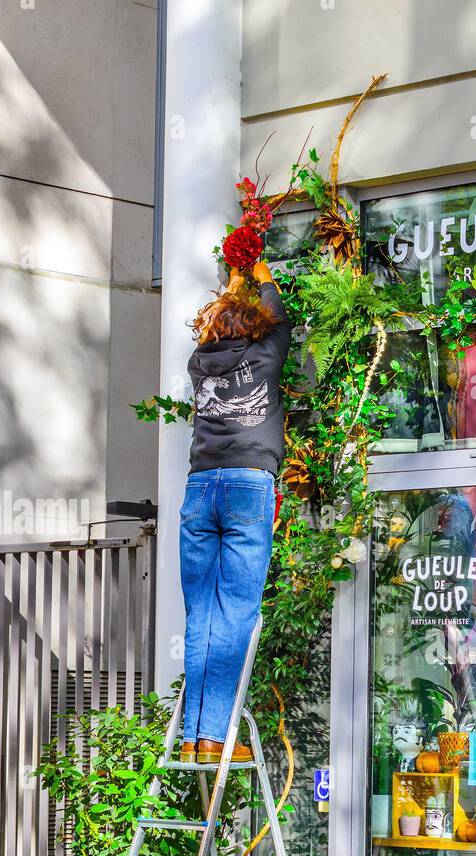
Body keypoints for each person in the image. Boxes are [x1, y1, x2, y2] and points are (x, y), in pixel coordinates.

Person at [179, 259, 291, 764]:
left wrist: (235, 285)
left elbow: (220, 321)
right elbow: (279, 317)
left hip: (200, 487)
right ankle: (216, 738)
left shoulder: (199, 361)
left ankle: (193, 735)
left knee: (201, 612)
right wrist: (264, 277)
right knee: (237, 612)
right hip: (248, 484)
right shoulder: (266, 355)